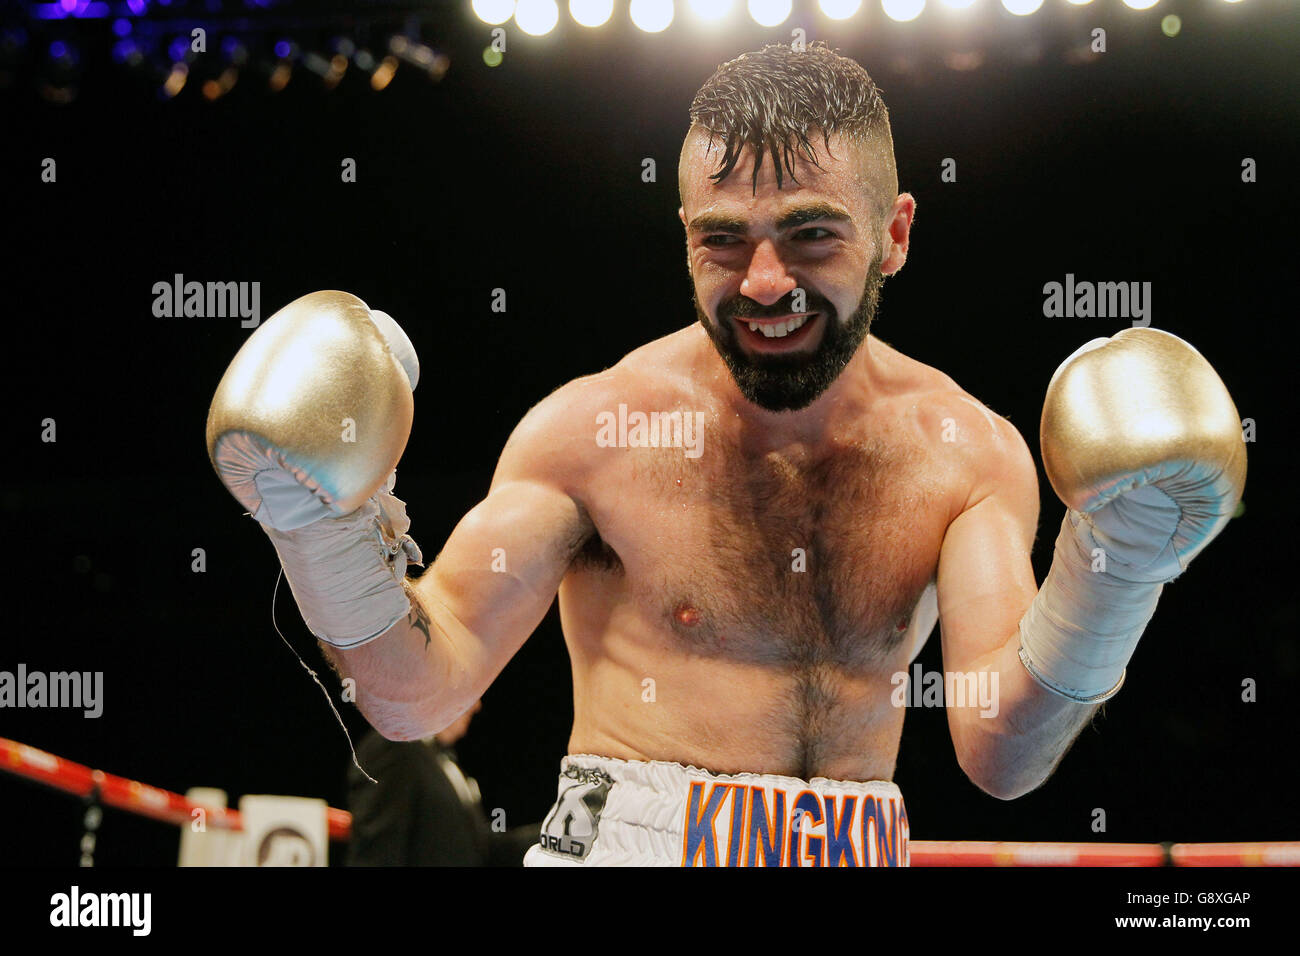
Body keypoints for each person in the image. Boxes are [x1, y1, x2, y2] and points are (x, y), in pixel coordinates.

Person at [206, 43, 1245, 867]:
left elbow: (1000, 753)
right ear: (682, 232)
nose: (760, 280)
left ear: (896, 232)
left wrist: (1118, 566)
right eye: (721, 238)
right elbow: (419, 695)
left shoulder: (962, 449)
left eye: (809, 236)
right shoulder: (592, 431)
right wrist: (320, 534)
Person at [345, 699, 540, 866]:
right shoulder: (394, 747)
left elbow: (485, 849)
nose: (477, 705)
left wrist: (555, 832)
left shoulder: (444, 761)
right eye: (470, 690)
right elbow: (377, 853)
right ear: (439, 687)